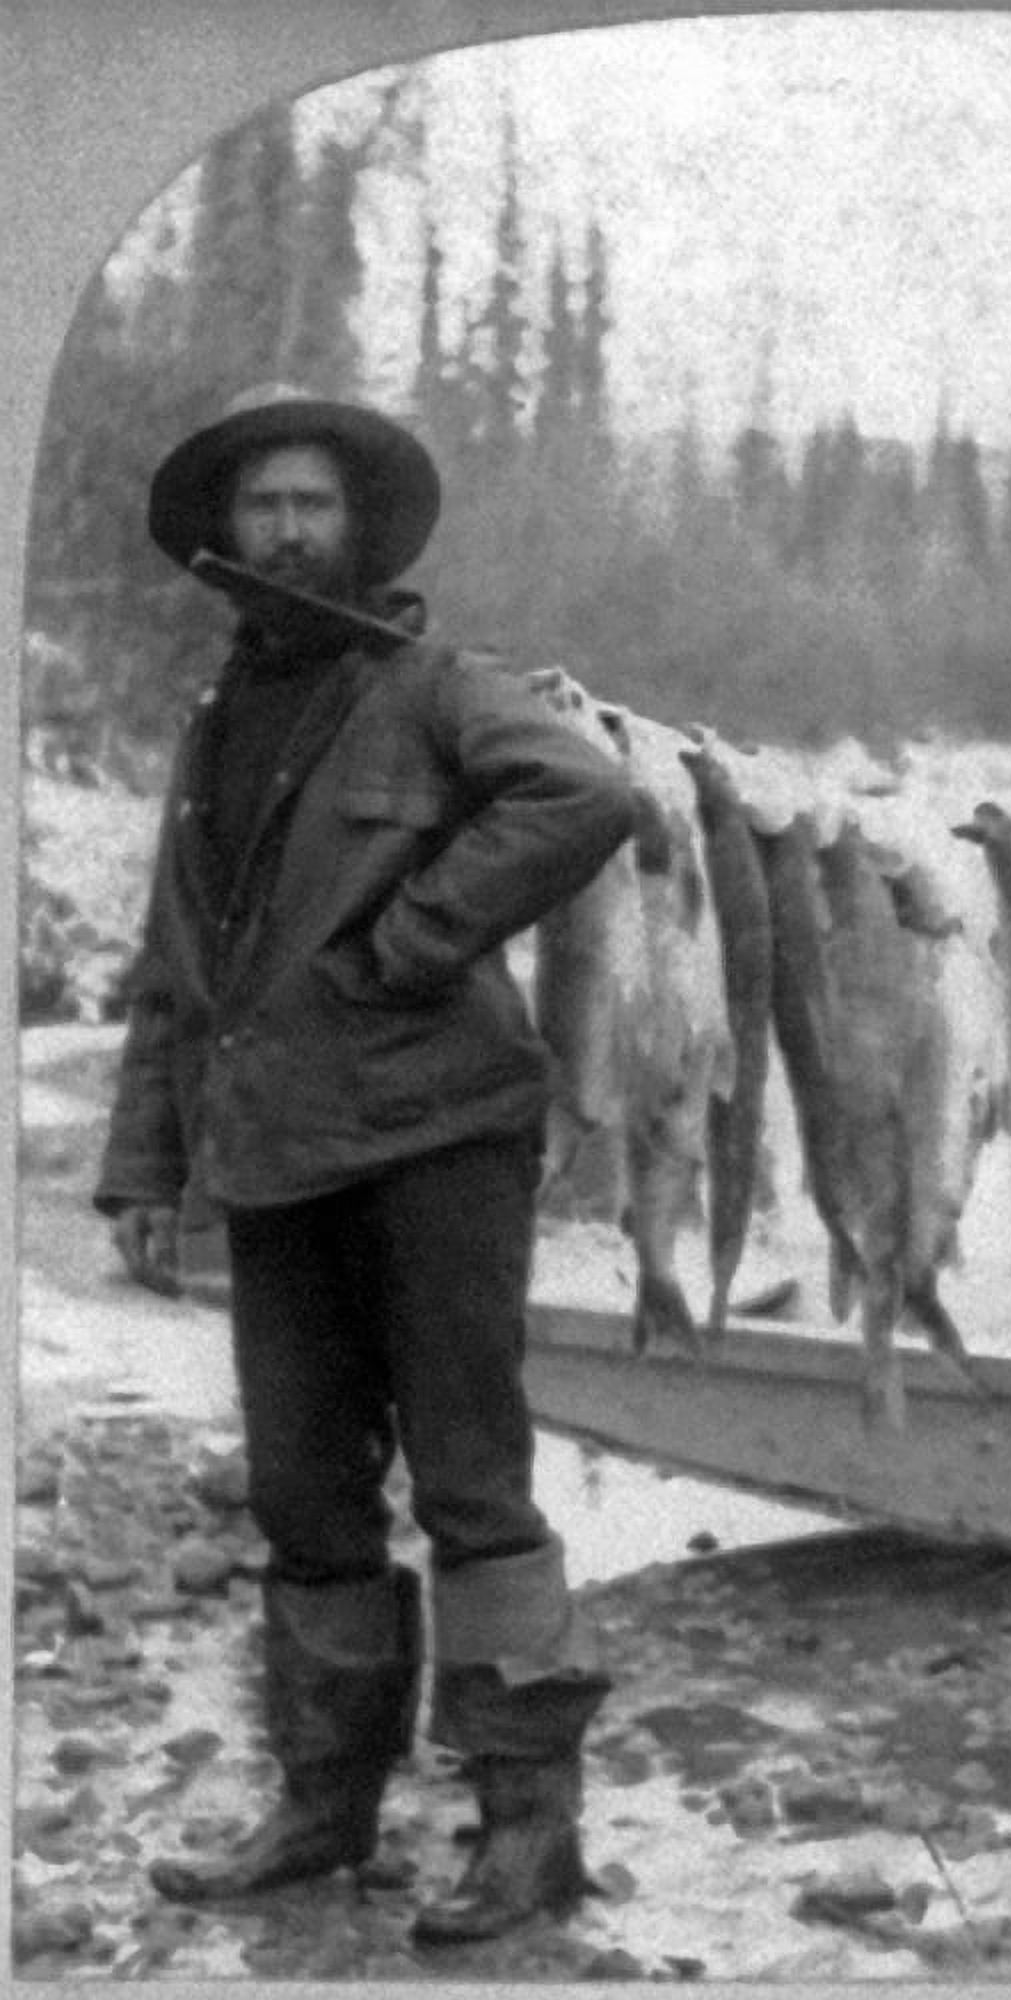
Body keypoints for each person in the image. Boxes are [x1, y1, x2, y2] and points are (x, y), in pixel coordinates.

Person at [94, 383, 659, 1944]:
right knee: (302, 1493)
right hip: (277, 1155)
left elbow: (586, 792)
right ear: (225, 533)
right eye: (263, 505)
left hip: (434, 1140)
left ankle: (527, 1828)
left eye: (313, 506)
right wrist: (144, 1166)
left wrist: (409, 943)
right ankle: (324, 1804)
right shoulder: (214, 726)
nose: (287, 531)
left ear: (360, 531)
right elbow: (178, 962)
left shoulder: (437, 687)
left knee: (472, 1481)